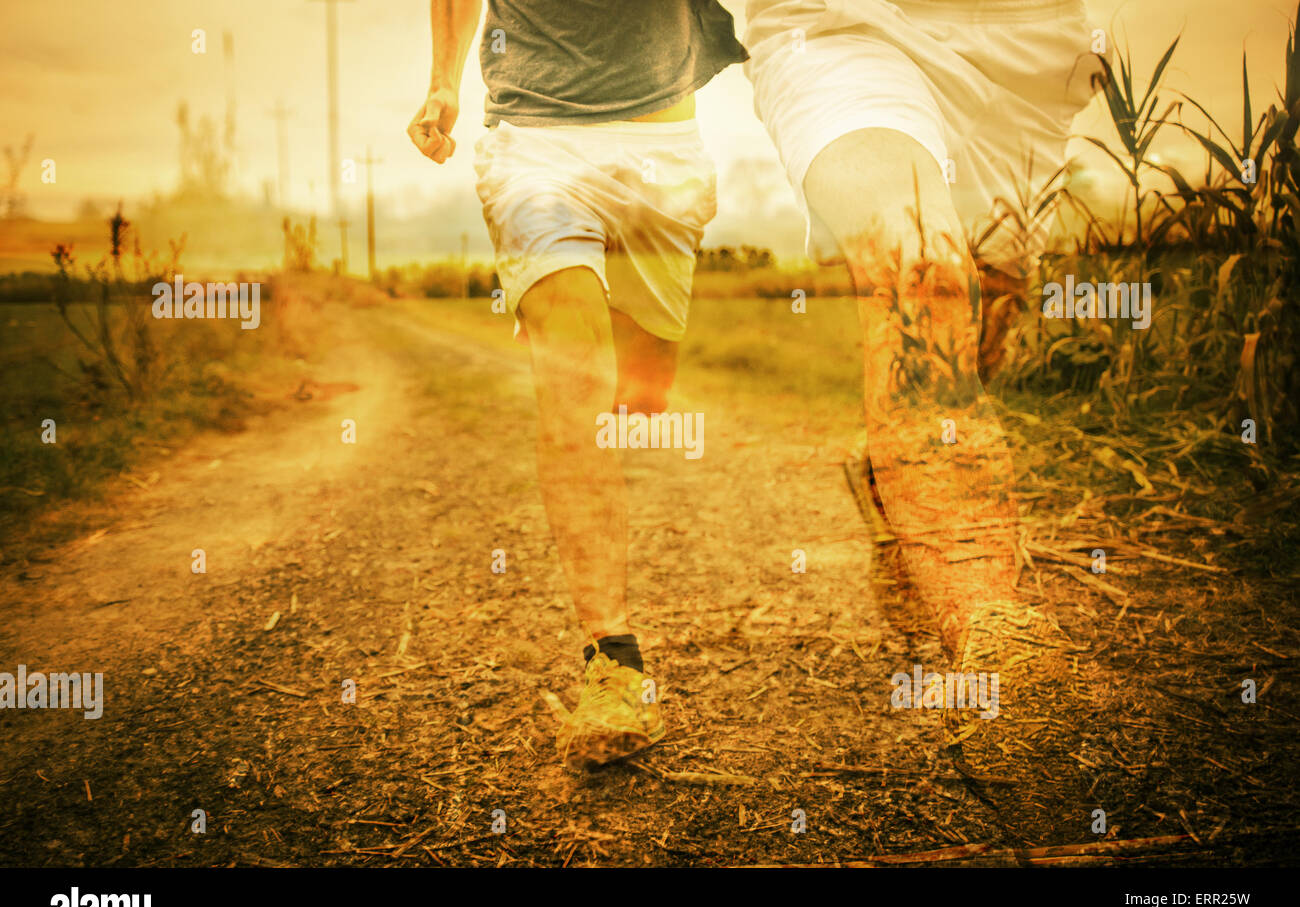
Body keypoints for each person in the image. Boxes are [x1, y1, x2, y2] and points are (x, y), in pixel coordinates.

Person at [741, 0, 1108, 791]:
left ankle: (894, 474)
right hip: (842, 23)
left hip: (1024, 40)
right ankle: (993, 632)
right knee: (925, 270)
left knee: (983, 319)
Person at [408, 1, 747, 768]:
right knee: (574, 387)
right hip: (534, 141)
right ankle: (614, 661)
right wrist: (444, 81)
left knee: (641, 398)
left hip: (662, 140)